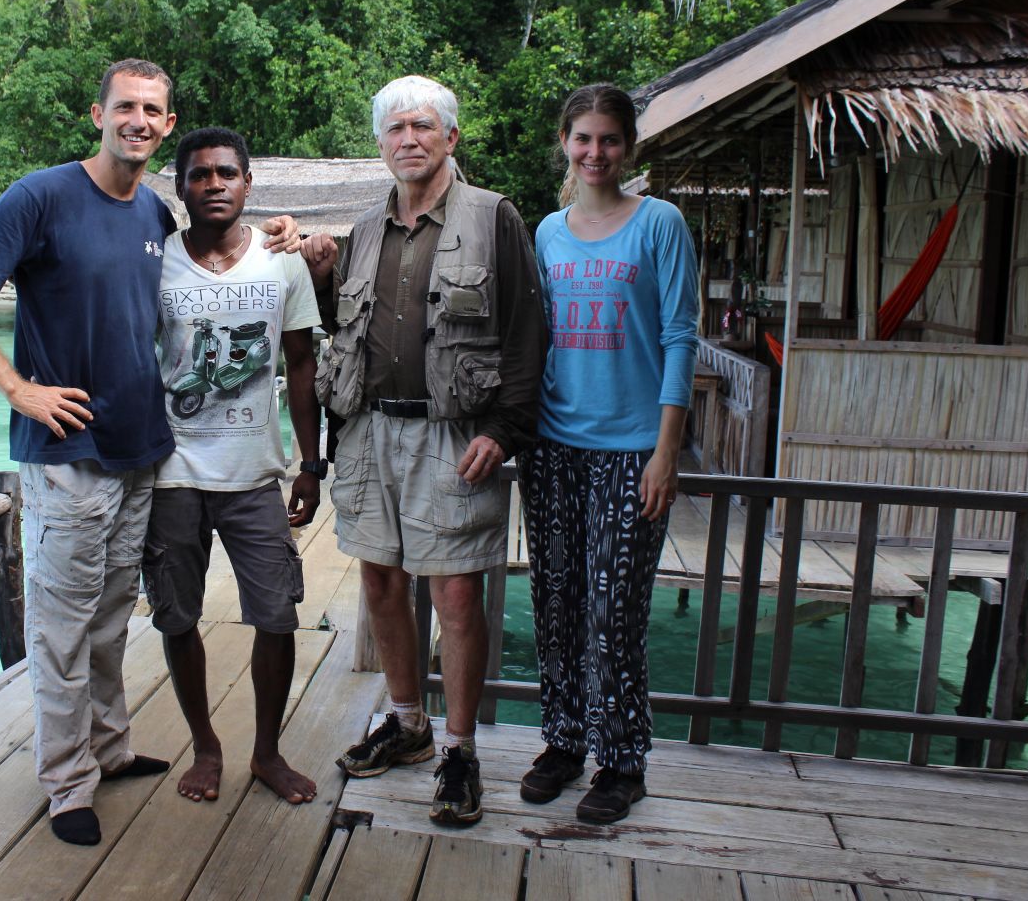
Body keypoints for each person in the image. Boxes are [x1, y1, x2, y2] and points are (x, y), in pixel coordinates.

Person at [0, 60, 296, 847]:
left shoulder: (153, 214)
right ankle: (66, 783)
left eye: (152, 109)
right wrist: (16, 387)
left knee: (108, 619)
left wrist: (287, 235)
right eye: (124, 105)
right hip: (66, 455)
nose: (137, 119)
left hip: (141, 455)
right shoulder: (43, 195)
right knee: (59, 626)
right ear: (98, 113)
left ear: (166, 125)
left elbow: (220, 250)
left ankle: (109, 746)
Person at [299, 75, 547, 826]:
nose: (408, 139)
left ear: (451, 137)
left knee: (457, 596)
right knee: (379, 583)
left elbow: (528, 334)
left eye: (423, 126)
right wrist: (317, 273)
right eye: (395, 128)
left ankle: (461, 751)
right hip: (370, 431)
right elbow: (339, 327)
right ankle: (408, 726)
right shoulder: (365, 229)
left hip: (455, 433)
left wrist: (503, 431)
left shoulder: (493, 216)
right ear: (380, 144)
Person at [517, 83, 698, 823]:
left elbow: (682, 337)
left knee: (613, 611)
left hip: (631, 452)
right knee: (554, 603)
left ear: (630, 147)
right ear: (565, 141)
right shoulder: (547, 233)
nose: (595, 153)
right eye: (583, 139)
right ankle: (563, 741)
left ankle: (622, 760)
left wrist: (667, 451)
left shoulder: (660, 223)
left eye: (610, 139)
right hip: (554, 447)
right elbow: (535, 337)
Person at [145, 126, 324, 807]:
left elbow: (302, 362)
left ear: (249, 183)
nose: (213, 183)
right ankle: (206, 746)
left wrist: (311, 463)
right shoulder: (156, 262)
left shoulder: (282, 261)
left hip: (256, 473)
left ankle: (267, 752)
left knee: (277, 615)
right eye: (199, 174)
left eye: (226, 173)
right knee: (175, 616)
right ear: (181, 187)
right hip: (172, 473)